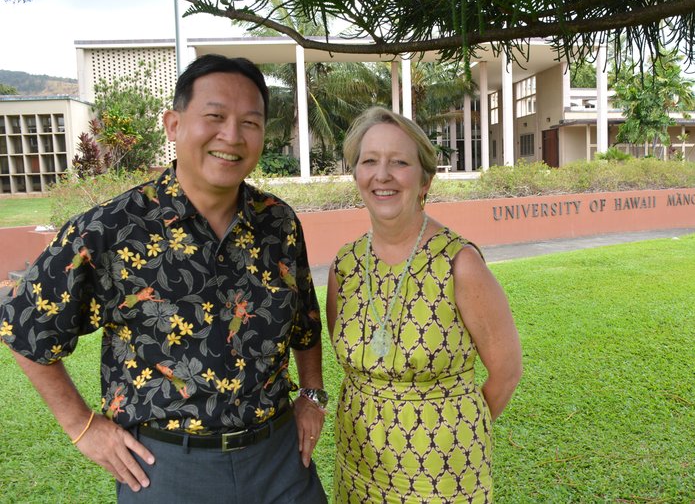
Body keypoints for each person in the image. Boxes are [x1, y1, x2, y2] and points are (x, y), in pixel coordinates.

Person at [0, 55, 327, 503]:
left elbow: (304, 321)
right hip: (168, 471)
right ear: (173, 125)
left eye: (249, 122)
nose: (231, 136)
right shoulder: (110, 230)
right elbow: (25, 326)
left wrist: (312, 393)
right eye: (214, 116)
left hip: (280, 465)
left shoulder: (279, 223)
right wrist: (82, 426)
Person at [326, 107, 523, 502]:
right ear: (357, 176)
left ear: (425, 179)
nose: (382, 175)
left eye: (399, 162)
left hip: (442, 470)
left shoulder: (459, 263)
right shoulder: (344, 265)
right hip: (358, 463)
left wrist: (453, 427)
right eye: (370, 161)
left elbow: (507, 371)